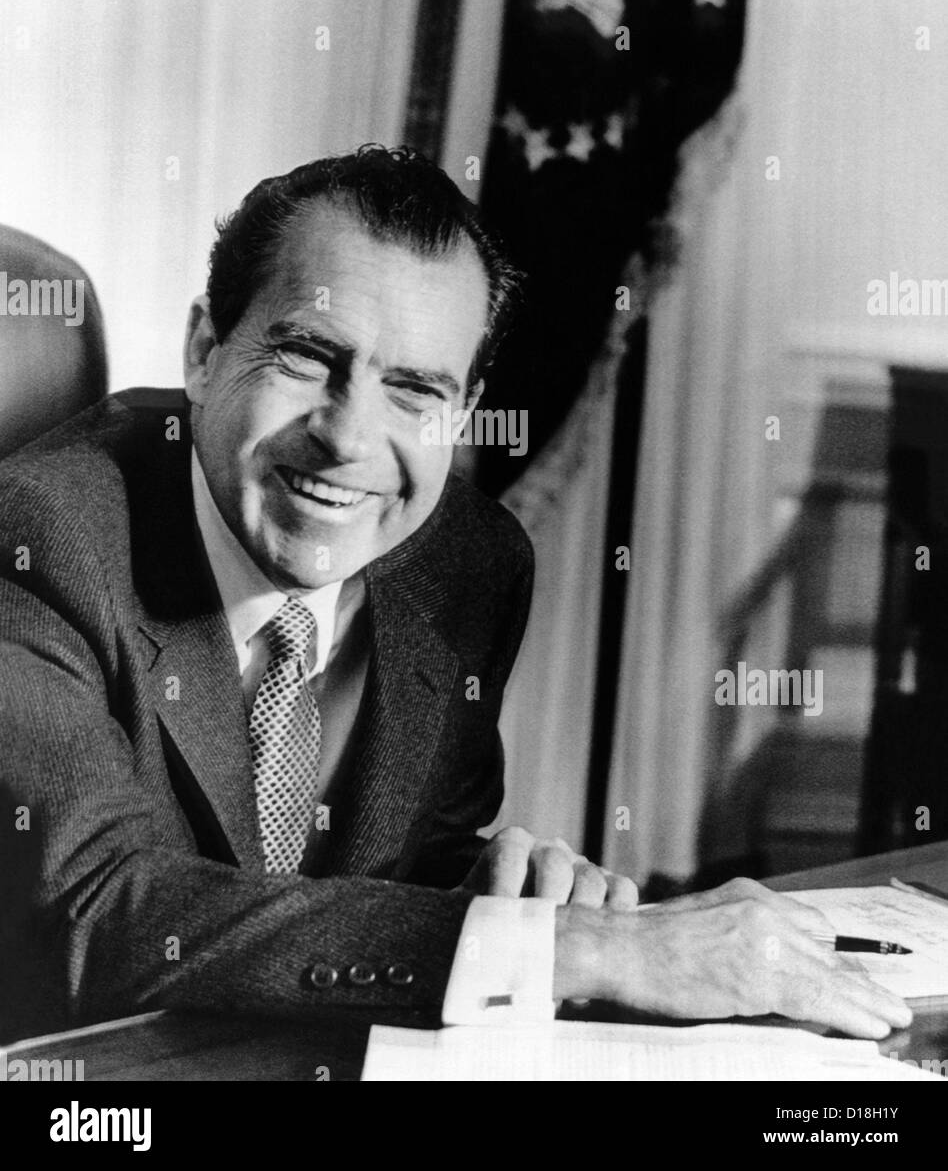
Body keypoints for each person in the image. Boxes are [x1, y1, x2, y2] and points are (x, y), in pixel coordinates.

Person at [0, 146, 910, 1043]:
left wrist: (504, 893)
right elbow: (100, 912)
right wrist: (564, 951)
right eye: (311, 356)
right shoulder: (41, 537)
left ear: (464, 413)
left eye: (413, 390)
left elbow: (408, 864)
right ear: (204, 350)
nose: (350, 438)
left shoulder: (468, 562)